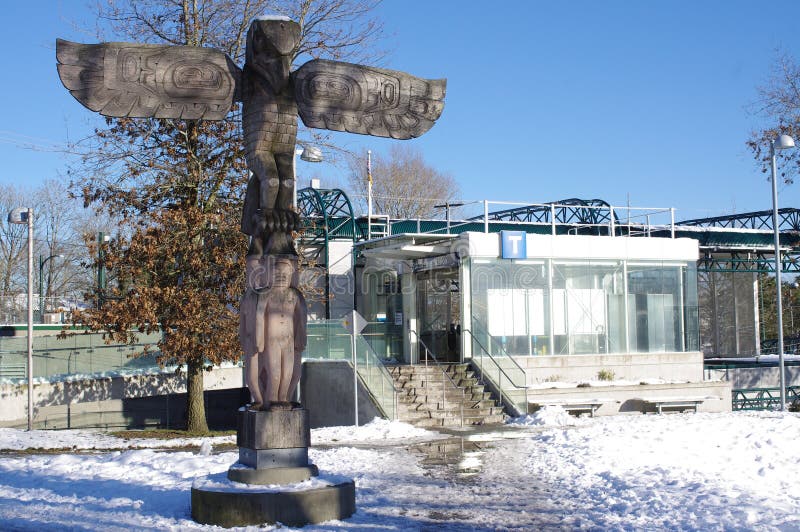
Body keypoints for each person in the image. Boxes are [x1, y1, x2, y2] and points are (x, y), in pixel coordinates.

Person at [240, 256, 307, 410]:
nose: (281, 278)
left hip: (288, 339)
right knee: (274, 370)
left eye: (285, 275)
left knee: (288, 371)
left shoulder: (295, 295)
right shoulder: (265, 294)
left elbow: (301, 317)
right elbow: (259, 316)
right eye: (277, 274)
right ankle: (272, 398)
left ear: (291, 275)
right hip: (271, 340)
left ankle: (283, 397)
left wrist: (301, 336)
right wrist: (259, 339)